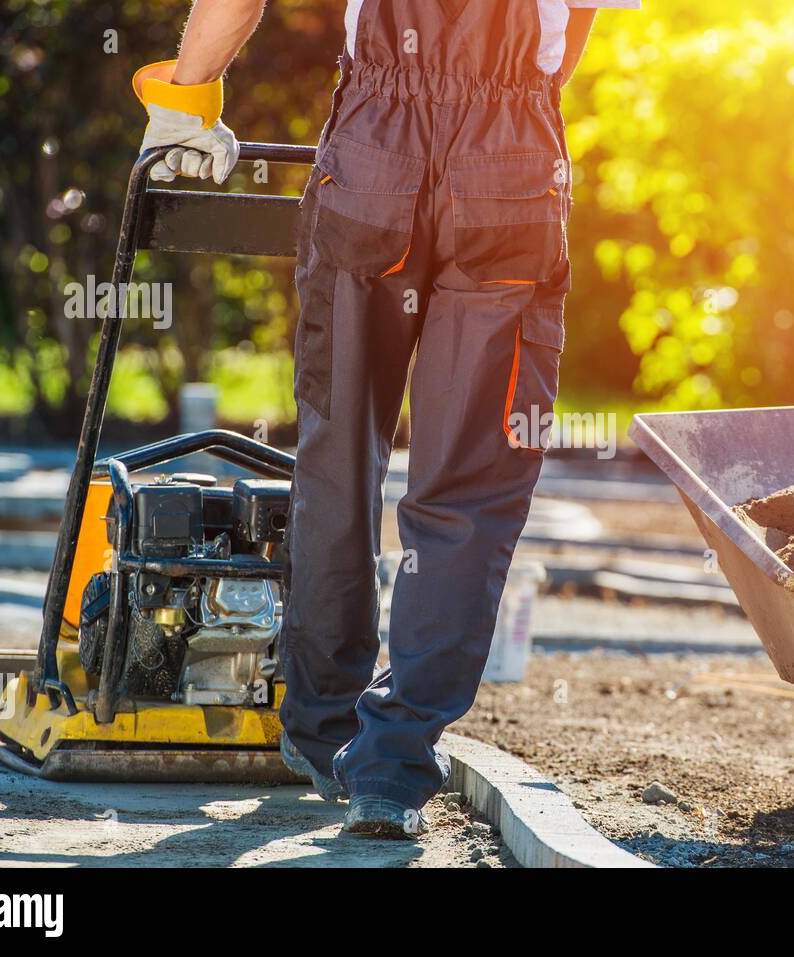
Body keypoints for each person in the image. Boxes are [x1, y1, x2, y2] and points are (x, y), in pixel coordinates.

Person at [133, 0, 640, 838]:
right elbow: (576, 25)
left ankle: (325, 721)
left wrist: (185, 99)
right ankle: (392, 763)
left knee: (339, 449)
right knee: (468, 483)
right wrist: (511, 109)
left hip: (375, 151)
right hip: (509, 166)